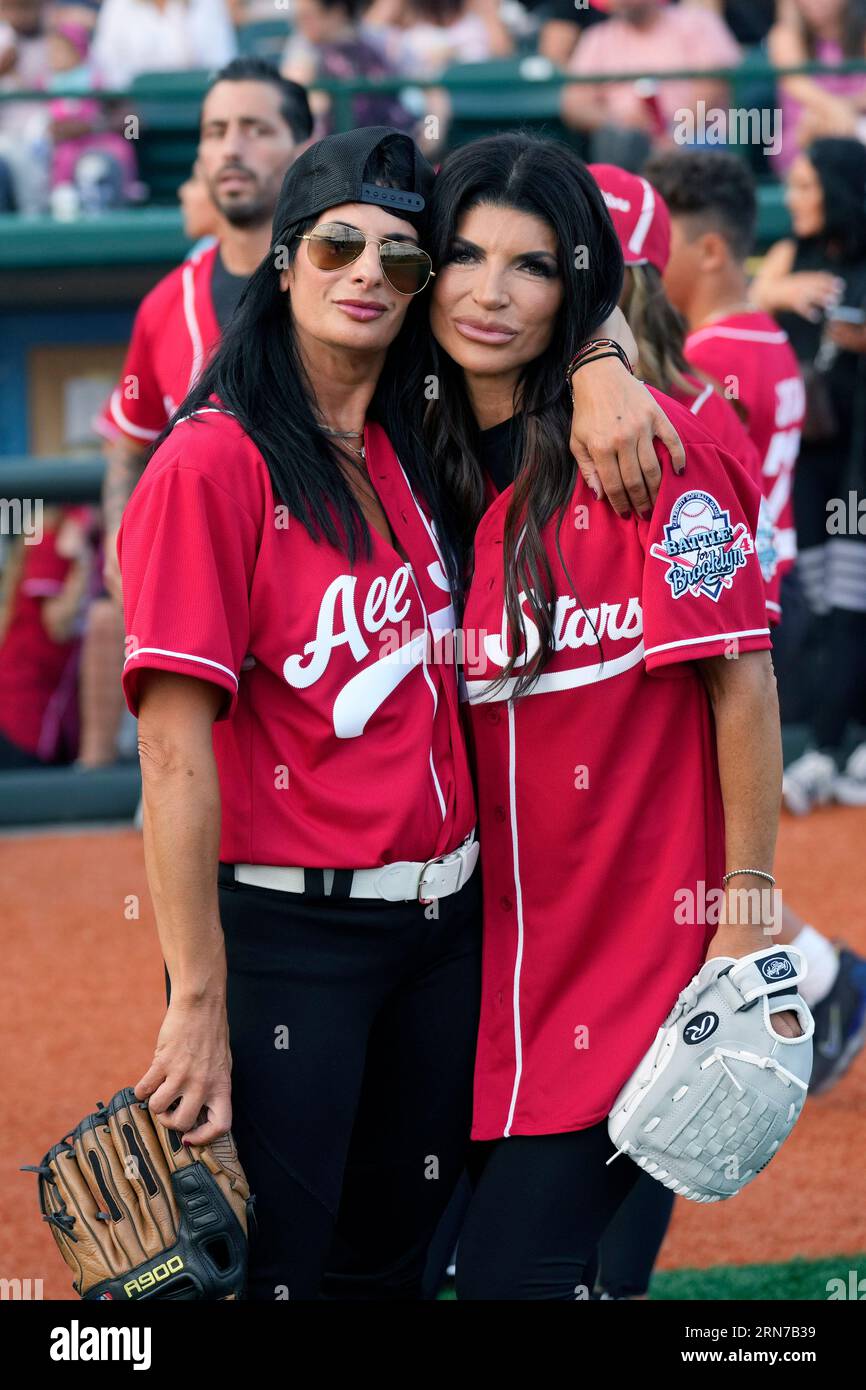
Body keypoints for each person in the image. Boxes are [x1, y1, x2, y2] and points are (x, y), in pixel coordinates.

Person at [418, 129, 801, 1301]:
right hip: (462, 978)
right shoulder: (404, 461)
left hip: (628, 970)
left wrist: (745, 913)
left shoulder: (646, 455)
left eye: (530, 266)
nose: (489, 293)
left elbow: (740, 679)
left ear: (578, 287)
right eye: (464, 256)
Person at [97, 58, 313, 605]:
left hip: (337, 617)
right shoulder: (165, 303)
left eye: (256, 129)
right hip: (201, 608)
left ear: (303, 150)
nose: (231, 148)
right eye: (216, 132)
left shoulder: (350, 283)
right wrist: (124, 544)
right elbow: (129, 444)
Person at [751, 138, 866, 810]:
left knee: (855, 600)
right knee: (824, 602)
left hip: (859, 455)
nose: (791, 197)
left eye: (803, 185)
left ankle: (835, 746)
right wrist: (778, 287)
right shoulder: (792, 254)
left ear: (837, 188)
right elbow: (743, 301)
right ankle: (824, 747)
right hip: (812, 458)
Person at [560, 0, 741, 169]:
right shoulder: (597, 38)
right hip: (631, 142)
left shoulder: (697, 22)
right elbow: (574, 105)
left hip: (695, 134)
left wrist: (676, 132)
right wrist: (617, 120)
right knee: (618, 141)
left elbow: (713, 83)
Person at [280, 0, 415, 140]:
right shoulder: (303, 46)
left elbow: (425, 82)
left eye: (307, 16)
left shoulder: (382, 41)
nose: (300, 24)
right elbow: (295, 98)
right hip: (334, 149)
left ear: (337, 12)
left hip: (389, 140)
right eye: (298, 17)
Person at [767, 0, 866, 171]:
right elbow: (797, 85)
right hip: (802, 137)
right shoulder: (784, 36)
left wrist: (844, 111)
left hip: (854, 127)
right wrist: (834, 113)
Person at [91, 0, 238, 90]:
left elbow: (222, 61)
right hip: (134, 107)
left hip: (194, 103)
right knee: (131, 129)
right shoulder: (119, 4)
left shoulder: (208, 3)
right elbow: (106, 62)